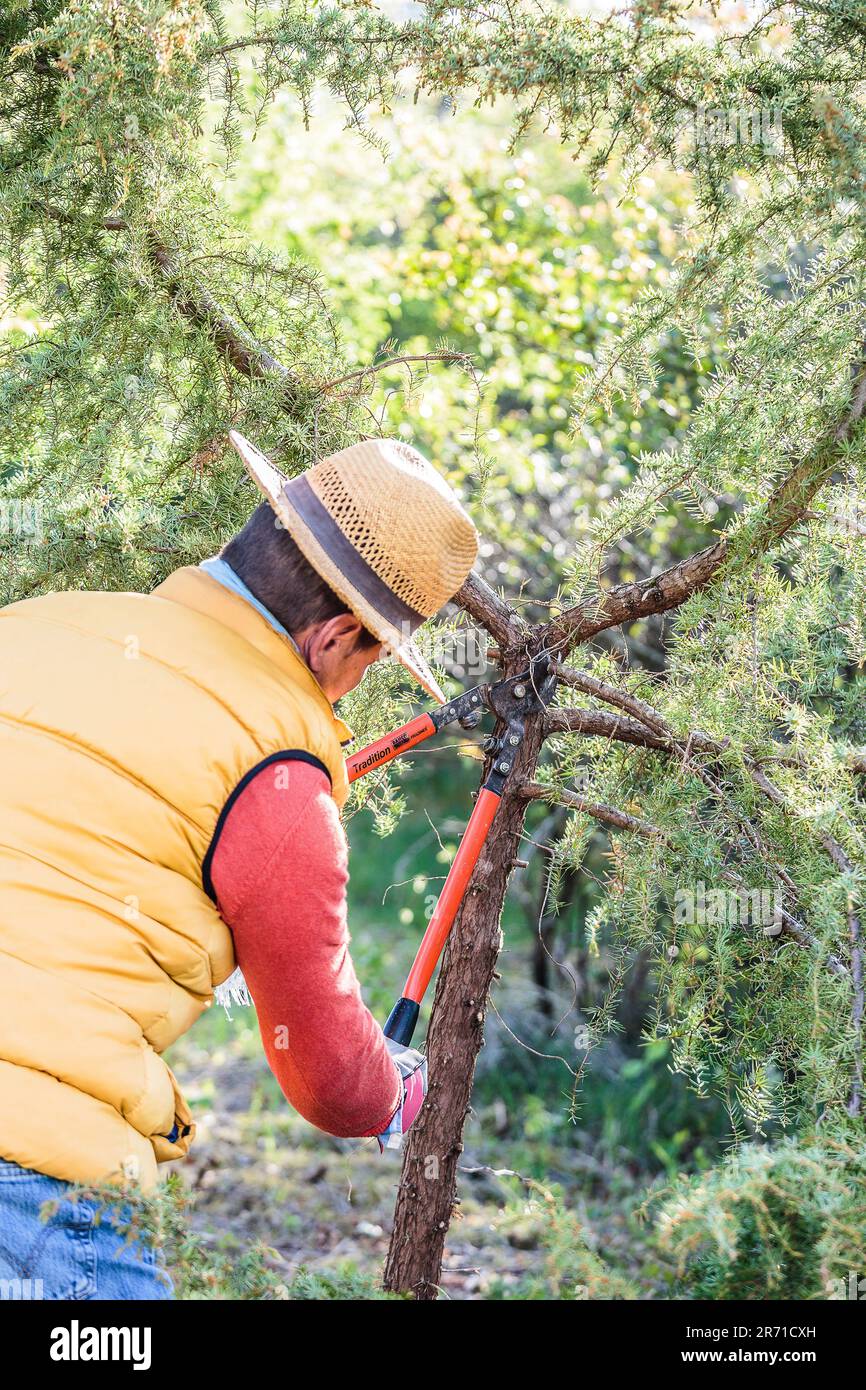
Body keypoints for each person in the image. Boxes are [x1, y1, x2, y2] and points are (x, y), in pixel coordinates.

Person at [0, 431, 479, 1299]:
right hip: (34, 1181)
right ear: (335, 638)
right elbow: (328, 1077)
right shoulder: (279, 776)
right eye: (370, 662)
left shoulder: (32, 625)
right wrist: (393, 1097)